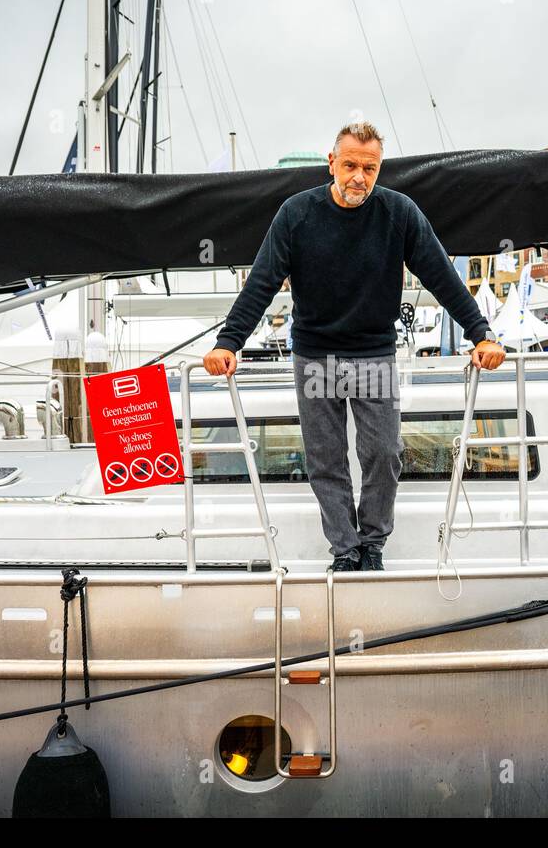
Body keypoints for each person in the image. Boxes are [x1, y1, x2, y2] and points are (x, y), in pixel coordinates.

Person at [203, 122, 506, 572]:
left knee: (383, 454)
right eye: (350, 165)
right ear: (332, 163)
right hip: (315, 354)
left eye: (369, 167)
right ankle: (345, 551)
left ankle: (373, 543)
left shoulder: (399, 213)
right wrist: (230, 341)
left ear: (379, 168)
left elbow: (441, 276)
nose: (359, 177)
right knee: (326, 460)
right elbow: (263, 281)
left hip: (373, 353)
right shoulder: (296, 213)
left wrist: (480, 332)